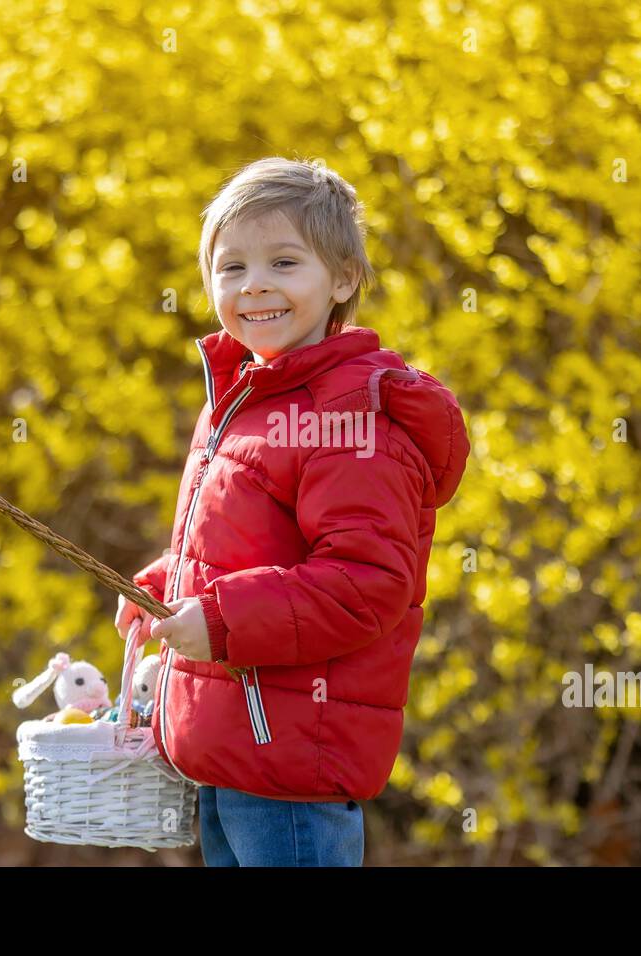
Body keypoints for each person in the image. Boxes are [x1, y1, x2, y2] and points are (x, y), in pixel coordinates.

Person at [116, 156, 470, 866]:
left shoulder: (351, 415)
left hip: (292, 762)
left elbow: (365, 581)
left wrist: (217, 621)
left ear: (342, 279)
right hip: (230, 746)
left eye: (284, 262)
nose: (255, 286)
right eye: (232, 268)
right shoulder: (246, 398)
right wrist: (169, 588)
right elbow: (245, 545)